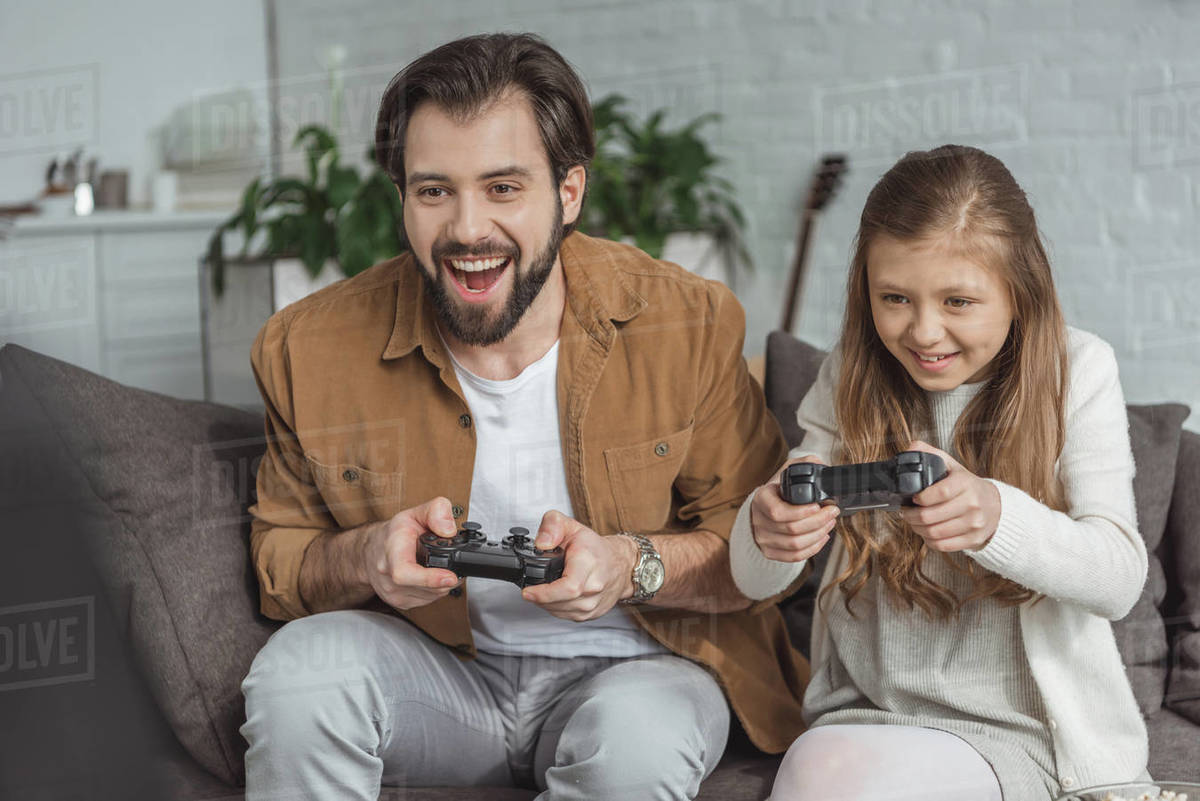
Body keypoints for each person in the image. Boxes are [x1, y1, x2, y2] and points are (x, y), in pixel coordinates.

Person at [239, 32, 807, 801]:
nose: (468, 230)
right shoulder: (307, 346)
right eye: (434, 190)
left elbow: (759, 558)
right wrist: (365, 555)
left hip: (640, 670)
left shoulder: (688, 320)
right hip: (440, 677)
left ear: (568, 193)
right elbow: (281, 559)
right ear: (402, 195)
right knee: (299, 676)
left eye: (503, 188)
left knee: (638, 745)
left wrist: (626, 565)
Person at [730, 144, 1150, 800]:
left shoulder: (1078, 370)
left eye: (958, 301)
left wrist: (997, 516)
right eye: (894, 297)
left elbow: (1119, 577)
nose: (924, 332)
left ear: (1020, 289)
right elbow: (756, 578)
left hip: (1023, 737)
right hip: (866, 716)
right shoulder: (849, 373)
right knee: (823, 772)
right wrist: (767, 532)